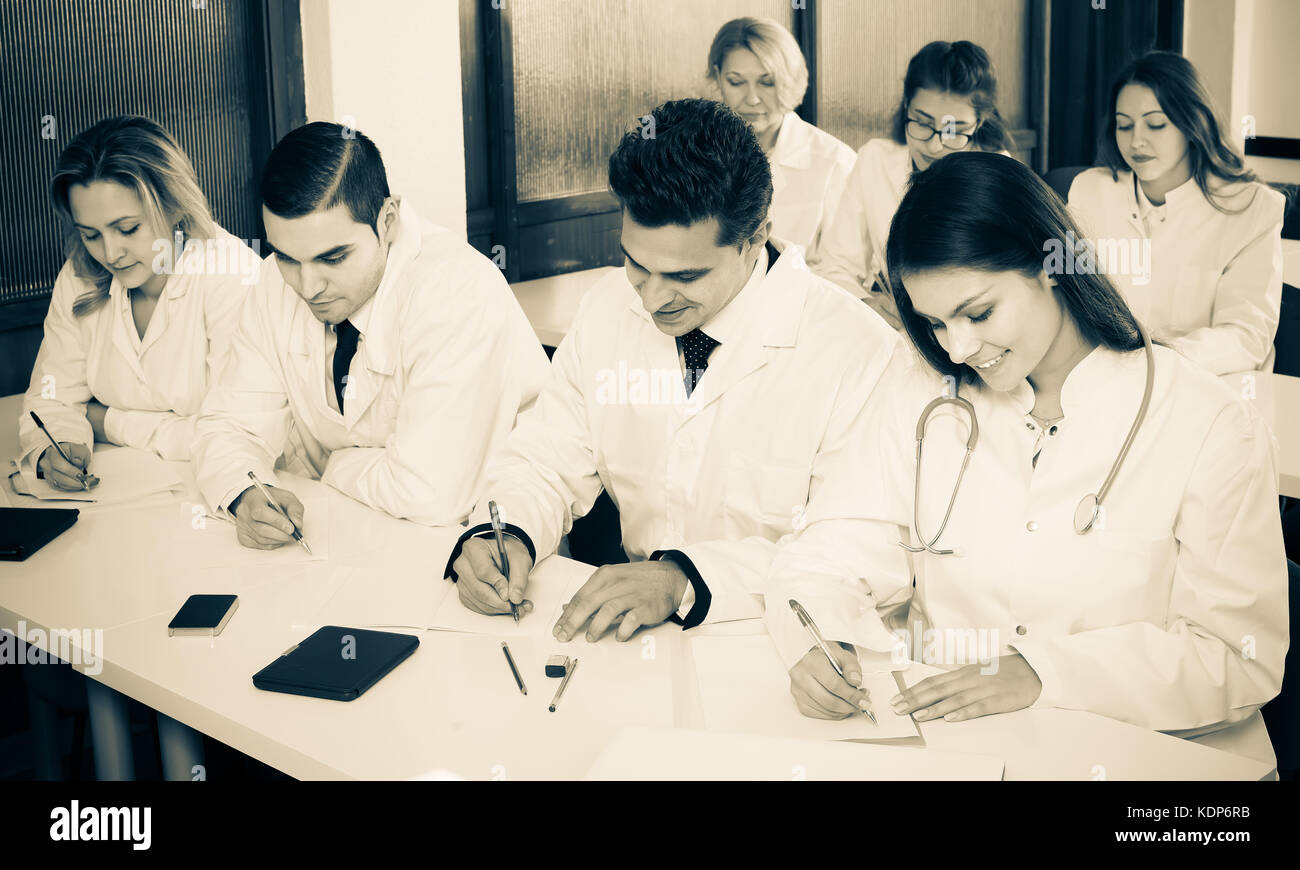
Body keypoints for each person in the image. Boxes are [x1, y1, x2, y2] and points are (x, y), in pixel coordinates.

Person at [767, 152, 1285, 749]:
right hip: (942, 751)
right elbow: (827, 552)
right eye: (935, 323)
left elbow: (1238, 656)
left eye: (978, 313)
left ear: (1051, 265)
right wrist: (819, 638)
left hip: (1120, 751)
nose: (957, 349)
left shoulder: (1210, 422)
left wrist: (1048, 671)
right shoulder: (924, 397)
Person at [445, 98, 902, 641]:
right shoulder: (607, 307)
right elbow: (546, 457)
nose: (652, 298)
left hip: (793, 643)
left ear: (755, 236)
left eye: (684, 274)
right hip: (638, 641)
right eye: (636, 262)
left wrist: (684, 577)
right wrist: (505, 531)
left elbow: (863, 545)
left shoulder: (858, 350)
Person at [193, 122, 549, 545]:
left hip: (475, 549)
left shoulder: (457, 289)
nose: (308, 287)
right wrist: (244, 490)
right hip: (350, 534)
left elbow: (431, 495)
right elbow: (228, 426)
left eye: (334, 258)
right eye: (287, 258)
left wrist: (330, 463)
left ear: (388, 222)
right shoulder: (274, 282)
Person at [19, 115, 254, 486]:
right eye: (91, 234)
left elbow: (238, 435)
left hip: (220, 490)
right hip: (122, 495)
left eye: (127, 229)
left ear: (174, 206)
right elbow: (51, 399)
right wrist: (58, 444)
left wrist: (107, 421)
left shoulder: (231, 274)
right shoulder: (79, 274)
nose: (111, 253)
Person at [1068, 51, 1285, 375]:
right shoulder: (1089, 191)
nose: (1136, 141)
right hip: (1105, 378)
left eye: (1156, 124)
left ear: (1191, 123)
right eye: (1124, 126)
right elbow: (1068, 297)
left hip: (1205, 384)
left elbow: (1246, 336)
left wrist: (1154, 361)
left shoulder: (1251, 207)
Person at [813, 40, 1014, 328]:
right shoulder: (875, 160)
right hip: (890, 331)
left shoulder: (1000, 173)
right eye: (921, 122)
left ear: (979, 122)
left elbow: (1010, 285)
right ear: (907, 105)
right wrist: (866, 304)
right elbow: (835, 265)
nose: (934, 146)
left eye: (954, 131)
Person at [705, 16, 855, 255]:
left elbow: (842, 271)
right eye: (736, 82)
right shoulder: (695, 153)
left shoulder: (835, 161)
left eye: (767, 83)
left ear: (790, 81)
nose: (752, 99)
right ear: (718, 77)